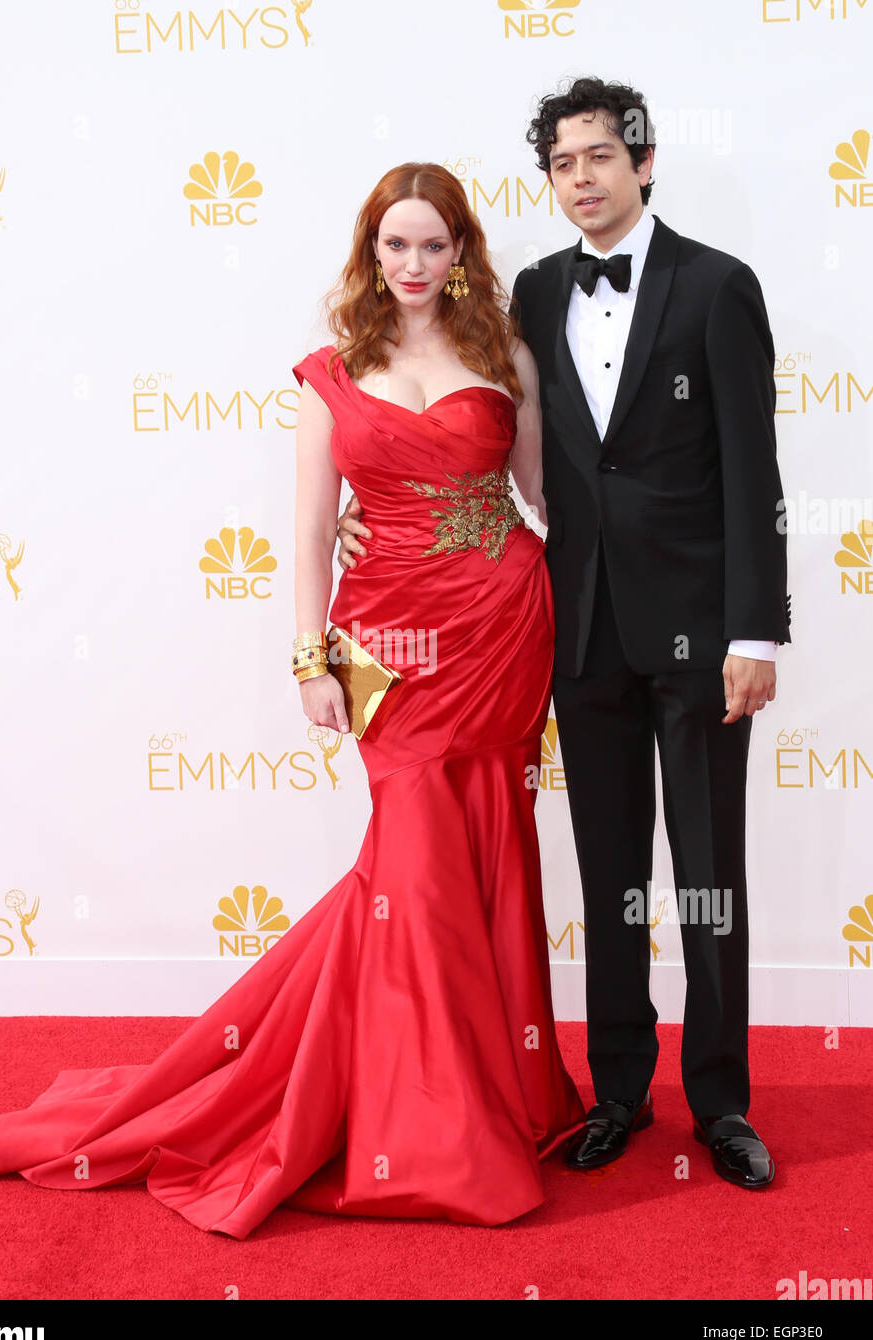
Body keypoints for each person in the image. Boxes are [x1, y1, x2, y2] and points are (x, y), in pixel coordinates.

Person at [0, 163, 584, 1238]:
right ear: (368, 253)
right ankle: (423, 1120)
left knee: (489, 845)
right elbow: (306, 532)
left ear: (462, 251)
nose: (415, 265)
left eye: (433, 245)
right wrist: (308, 660)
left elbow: (539, 500)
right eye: (395, 246)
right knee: (413, 865)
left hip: (500, 629)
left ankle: (493, 1090)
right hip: (386, 640)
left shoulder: (504, 354)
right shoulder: (330, 373)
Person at [338, 82, 790, 1190]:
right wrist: (381, 494)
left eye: (598, 156)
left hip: (695, 636)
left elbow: (752, 472)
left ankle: (722, 1102)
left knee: (704, 877)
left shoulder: (715, 287)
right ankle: (620, 1092)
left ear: (642, 162)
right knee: (606, 877)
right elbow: (474, 417)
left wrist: (755, 634)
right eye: (560, 162)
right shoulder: (532, 294)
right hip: (568, 632)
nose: (579, 176)